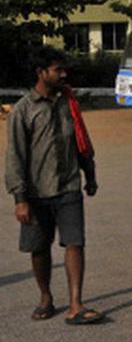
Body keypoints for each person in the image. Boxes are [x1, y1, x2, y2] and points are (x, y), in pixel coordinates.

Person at [5, 46, 103, 324]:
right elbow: (15, 156)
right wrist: (20, 199)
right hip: (36, 192)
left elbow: (81, 142)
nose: (63, 73)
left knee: (75, 242)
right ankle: (46, 296)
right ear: (41, 73)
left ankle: (76, 304)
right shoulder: (23, 111)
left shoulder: (68, 103)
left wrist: (90, 175)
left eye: (63, 68)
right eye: (57, 69)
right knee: (39, 248)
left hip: (69, 185)